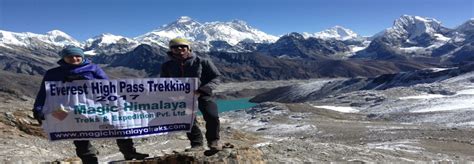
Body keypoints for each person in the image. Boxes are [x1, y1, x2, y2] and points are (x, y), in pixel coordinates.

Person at [32, 46, 149, 163]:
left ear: (82, 56)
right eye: (69, 56)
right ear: (64, 58)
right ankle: (89, 160)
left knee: (119, 125)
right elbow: (44, 92)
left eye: (77, 56)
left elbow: (107, 86)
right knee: (79, 136)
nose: (74, 58)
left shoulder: (93, 69)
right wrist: (38, 108)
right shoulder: (53, 73)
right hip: (68, 109)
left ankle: (130, 153)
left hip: (95, 106)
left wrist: (87, 81)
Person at [160, 38, 222, 151]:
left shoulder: (203, 61)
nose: (179, 49)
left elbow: (216, 77)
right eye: (175, 47)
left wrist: (204, 90)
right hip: (181, 97)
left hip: (203, 94)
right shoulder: (167, 66)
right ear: (171, 50)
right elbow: (164, 82)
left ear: (189, 48)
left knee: (212, 116)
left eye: (182, 46)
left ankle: (214, 141)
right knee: (187, 120)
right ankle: (196, 144)